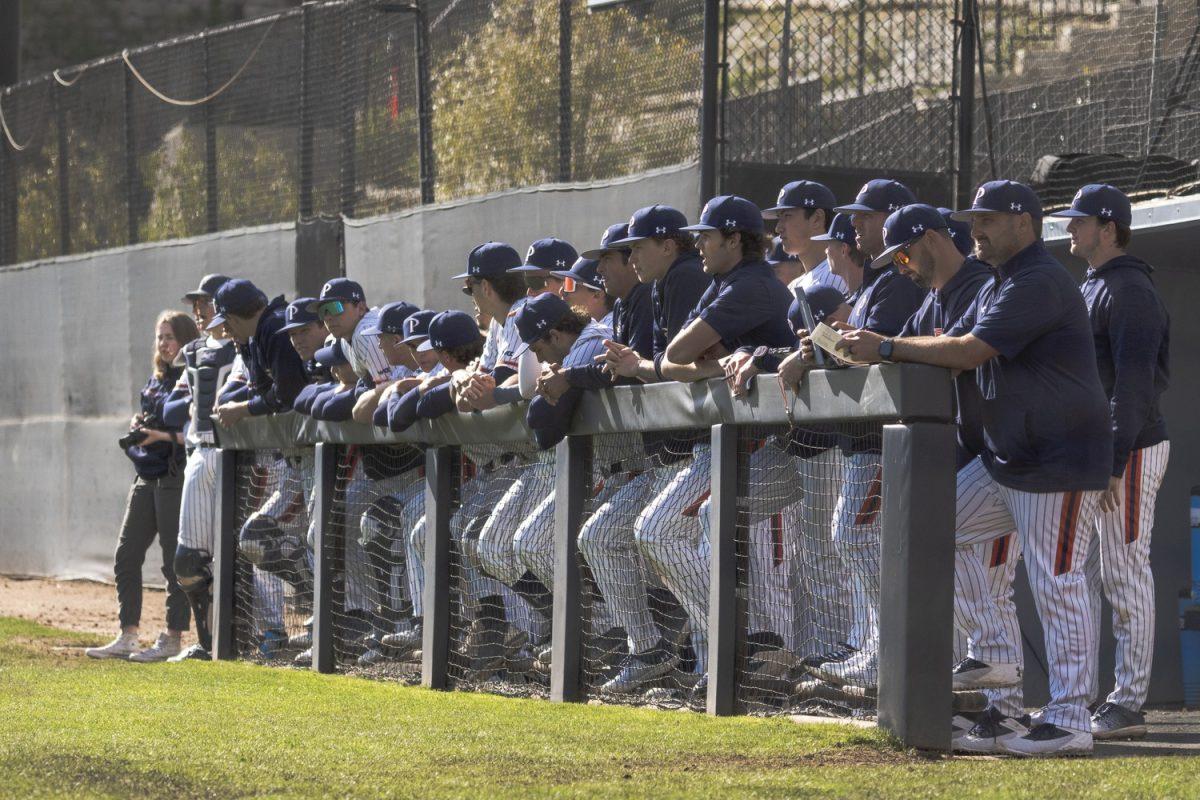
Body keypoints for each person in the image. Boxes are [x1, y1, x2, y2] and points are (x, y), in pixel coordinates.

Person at [835, 179, 1113, 757]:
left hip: (1058, 459)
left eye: (988, 219)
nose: (976, 229)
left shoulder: (1039, 279)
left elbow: (967, 351)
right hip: (1008, 457)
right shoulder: (998, 282)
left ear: (1023, 223)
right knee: (933, 524)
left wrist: (885, 346)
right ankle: (999, 674)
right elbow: (954, 346)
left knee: (1057, 585)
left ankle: (1069, 720)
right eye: (974, 219)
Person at [1051, 184, 1170, 740]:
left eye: (1079, 221)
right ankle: (1091, 699)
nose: (1070, 229)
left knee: (1125, 572)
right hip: (1101, 451)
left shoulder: (1130, 289)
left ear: (1108, 228)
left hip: (1131, 448)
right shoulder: (1095, 282)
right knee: (1098, 575)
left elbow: (1136, 386)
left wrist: (1114, 461)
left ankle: (1129, 704)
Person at [86, 310, 199, 661]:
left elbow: (196, 433)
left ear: (185, 340)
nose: (163, 344)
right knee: (126, 556)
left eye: (170, 337)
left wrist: (159, 436)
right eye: (159, 337)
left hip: (173, 477)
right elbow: (152, 418)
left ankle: (172, 638)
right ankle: (128, 636)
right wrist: (140, 426)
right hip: (146, 475)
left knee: (172, 562)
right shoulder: (157, 378)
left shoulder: (193, 375)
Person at [158, 274, 240, 662]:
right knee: (188, 563)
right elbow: (170, 409)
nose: (198, 309)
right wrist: (193, 402)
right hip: (199, 453)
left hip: (238, 455)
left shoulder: (242, 347)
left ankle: (263, 634)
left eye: (205, 301)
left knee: (241, 552)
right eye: (195, 303)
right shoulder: (192, 351)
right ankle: (209, 643)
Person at [762, 179, 846, 296]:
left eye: (787, 216)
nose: (778, 228)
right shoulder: (795, 285)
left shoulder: (840, 276)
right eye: (779, 218)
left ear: (817, 218)